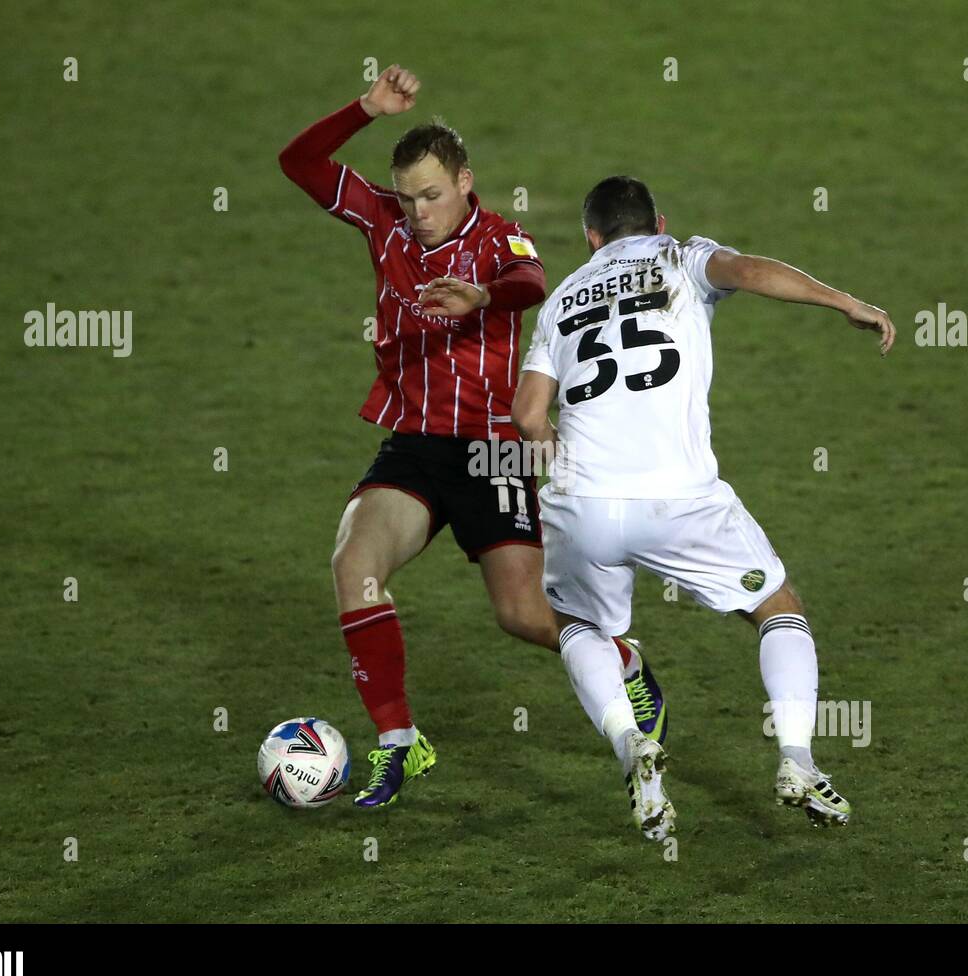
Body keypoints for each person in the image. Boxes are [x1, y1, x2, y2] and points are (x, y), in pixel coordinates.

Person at [278, 71, 666, 808]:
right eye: (408, 197)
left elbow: (531, 281)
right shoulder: (383, 223)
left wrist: (483, 294)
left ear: (464, 182)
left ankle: (626, 662)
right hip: (415, 444)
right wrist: (364, 109)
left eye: (432, 195)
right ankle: (401, 743)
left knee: (521, 614)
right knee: (354, 565)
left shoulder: (498, 235)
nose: (418, 213)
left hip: (490, 447)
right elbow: (297, 164)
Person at [512, 176, 894, 839]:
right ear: (658, 223)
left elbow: (526, 416)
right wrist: (844, 302)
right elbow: (746, 270)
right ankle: (797, 761)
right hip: (682, 499)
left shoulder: (561, 300)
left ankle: (632, 743)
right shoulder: (680, 258)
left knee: (576, 622)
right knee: (778, 609)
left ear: (591, 238)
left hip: (585, 502)